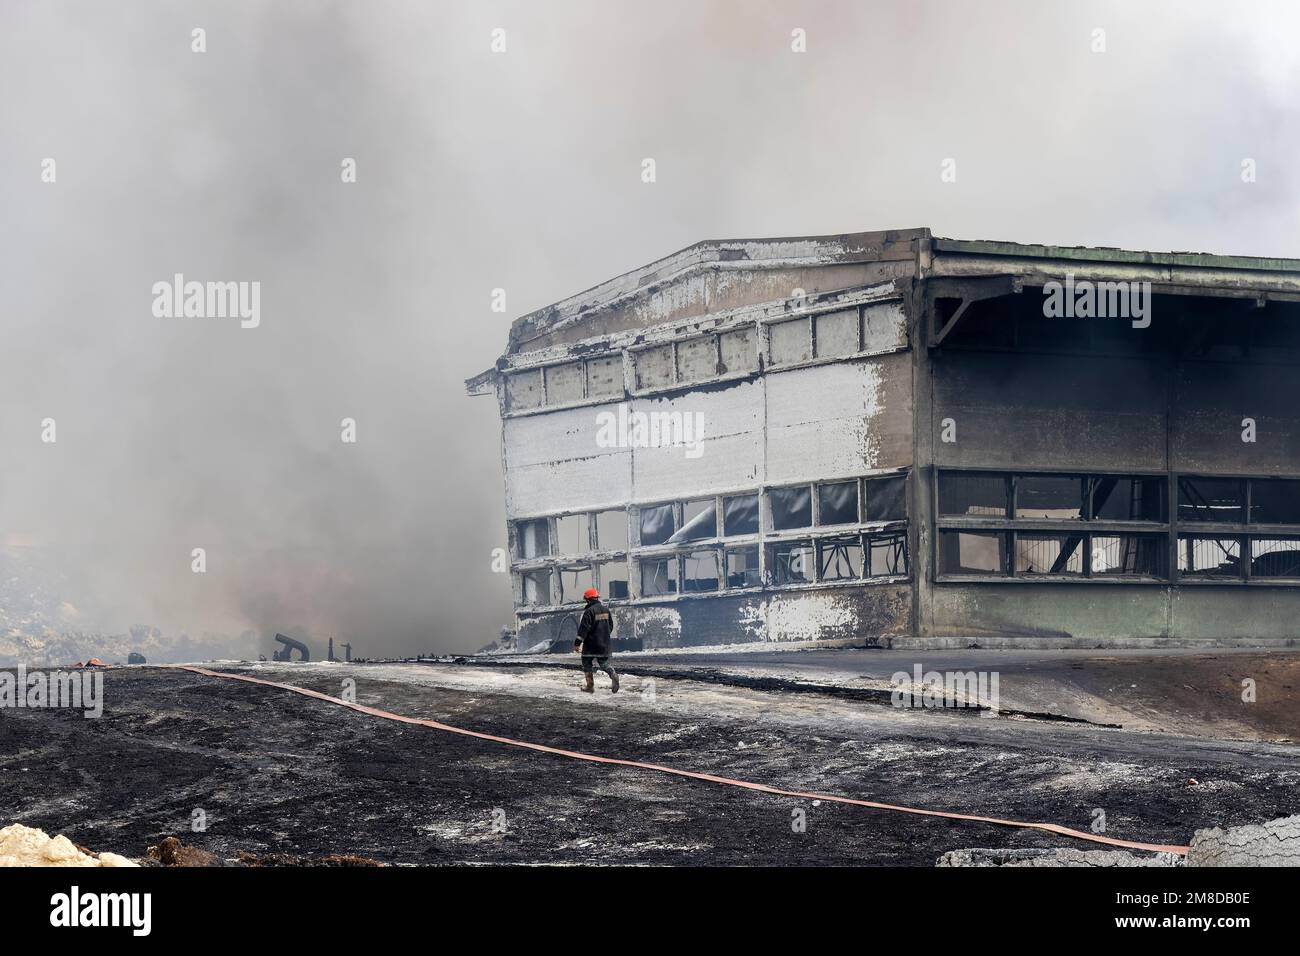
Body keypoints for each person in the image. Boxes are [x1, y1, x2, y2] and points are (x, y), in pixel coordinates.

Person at [574, 587, 619, 693]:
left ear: (588, 599)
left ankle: (590, 686)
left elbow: (583, 629)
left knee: (586, 662)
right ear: (597, 598)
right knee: (604, 663)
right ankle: (613, 674)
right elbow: (610, 626)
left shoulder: (589, 612)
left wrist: (577, 643)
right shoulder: (606, 610)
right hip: (604, 643)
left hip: (590, 645)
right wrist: (604, 636)